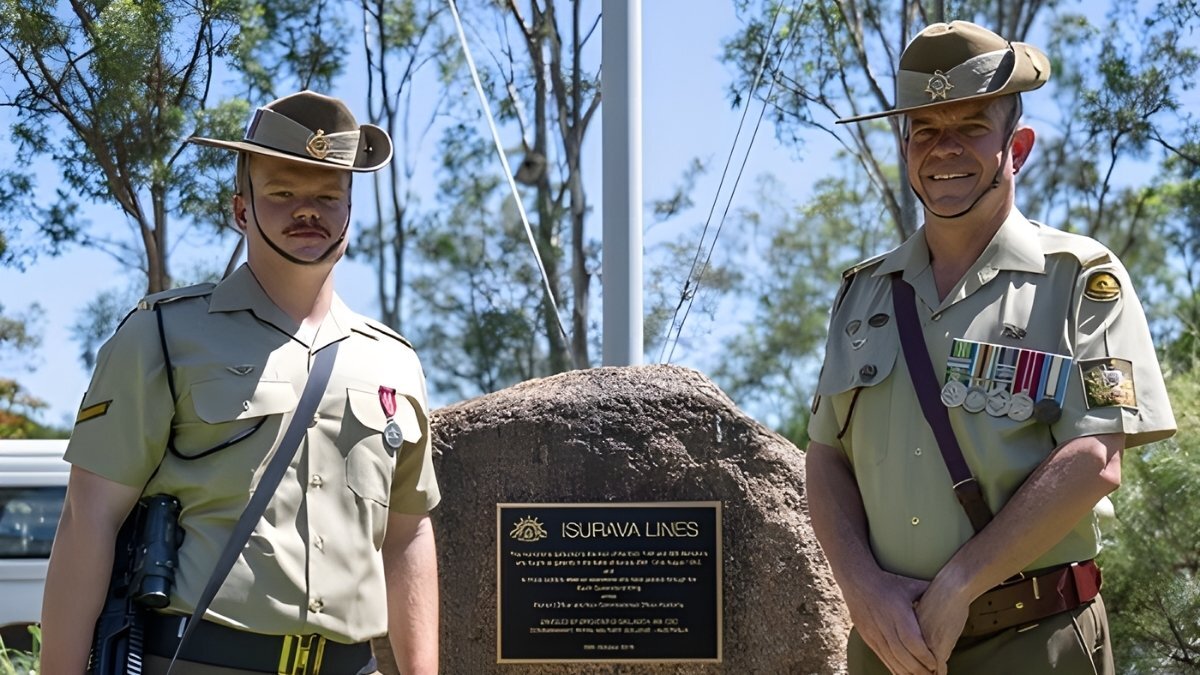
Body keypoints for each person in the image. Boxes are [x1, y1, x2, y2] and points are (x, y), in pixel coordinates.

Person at [807, 21, 1176, 675]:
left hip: (1036, 640)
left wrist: (958, 587)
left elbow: (1094, 457)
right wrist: (863, 591)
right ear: (905, 147)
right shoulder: (862, 295)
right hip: (890, 648)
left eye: (971, 126)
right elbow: (827, 458)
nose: (944, 149)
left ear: (1019, 146)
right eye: (926, 129)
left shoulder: (1080, 279)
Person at [41, 91, 440, 674]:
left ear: (350, 213)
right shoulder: (163, 335)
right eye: (282, 193)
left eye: (328, 196)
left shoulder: (393, 362)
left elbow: (406, 535)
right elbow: (88, 519)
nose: (308, 211)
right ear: (242, 211)